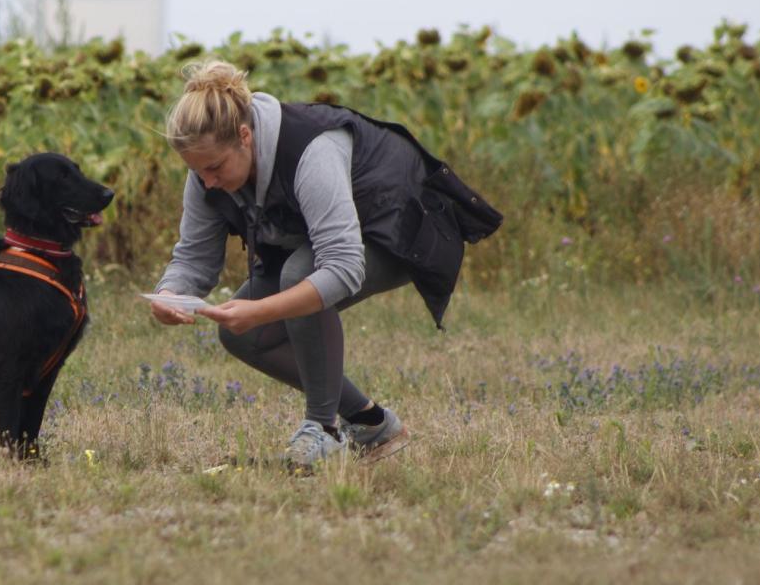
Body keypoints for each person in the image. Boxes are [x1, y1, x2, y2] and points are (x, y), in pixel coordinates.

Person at [149, 60, 502, 467]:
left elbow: (343, 266)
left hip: (403, 228)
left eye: (214, 168)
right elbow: (193, 257)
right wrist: (169, 294)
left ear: (244, 137)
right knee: (243, 336)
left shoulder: (311, 150)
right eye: (196, 171)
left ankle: (324, 428)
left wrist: (261, 309)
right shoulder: (205, 173)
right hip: (326, 244)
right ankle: (372, 424)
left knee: (301, 277)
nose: (207, 182)